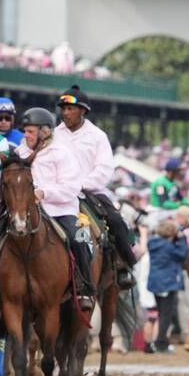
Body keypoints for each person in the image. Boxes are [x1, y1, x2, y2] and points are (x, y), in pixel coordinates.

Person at [0, 107, 96, 312]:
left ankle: (84, 288)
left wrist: (44, 193)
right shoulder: (19, 153)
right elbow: (1, 184)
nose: (26, 135)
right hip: (24, 212)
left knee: (79, 238)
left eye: (30, 131)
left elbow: (71, 186)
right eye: (25, 131)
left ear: (44, 132)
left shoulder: (62, 153)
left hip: (60, 210)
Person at [55, 86, 137, 289]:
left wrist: (82, 184)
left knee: (117, 221)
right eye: (63, 108)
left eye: (70, 109)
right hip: (58, 193)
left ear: (83, 110)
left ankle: (124, 266)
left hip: (90, 192)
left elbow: (104, 168)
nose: (65, 113)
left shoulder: (97, 136)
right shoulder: (54, 134)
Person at [146, 218, 189, 354]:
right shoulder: (168, 246)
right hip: (167, 283)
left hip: (156, 283)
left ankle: (161, 342)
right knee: (166, 315)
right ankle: (161, 343)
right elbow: (183, 255)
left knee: (161, 314)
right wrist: (181, 239)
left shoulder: (153, 242)